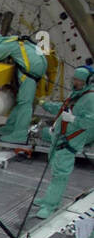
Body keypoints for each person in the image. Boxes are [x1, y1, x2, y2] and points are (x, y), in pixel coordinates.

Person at [34, 66, 94, 220]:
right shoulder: (77, 94)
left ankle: (50, 206)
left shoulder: (90, 99)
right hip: (60, 137)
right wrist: (45, 104)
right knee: (55, 172)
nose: (75, 82)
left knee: (60, 174)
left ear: (87, 82)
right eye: (74, 79)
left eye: (79, 81)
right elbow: (63, 108)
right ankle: (49, 199)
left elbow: (90, 121)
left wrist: (73, 119)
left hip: (70, 141)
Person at [0, 31, 48, 144]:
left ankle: (20, 134)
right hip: (36, 73)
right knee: (21, 102)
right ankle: (11, 127)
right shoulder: (16, 40)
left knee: (25, 104)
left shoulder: (4, 45)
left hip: (29, 75)